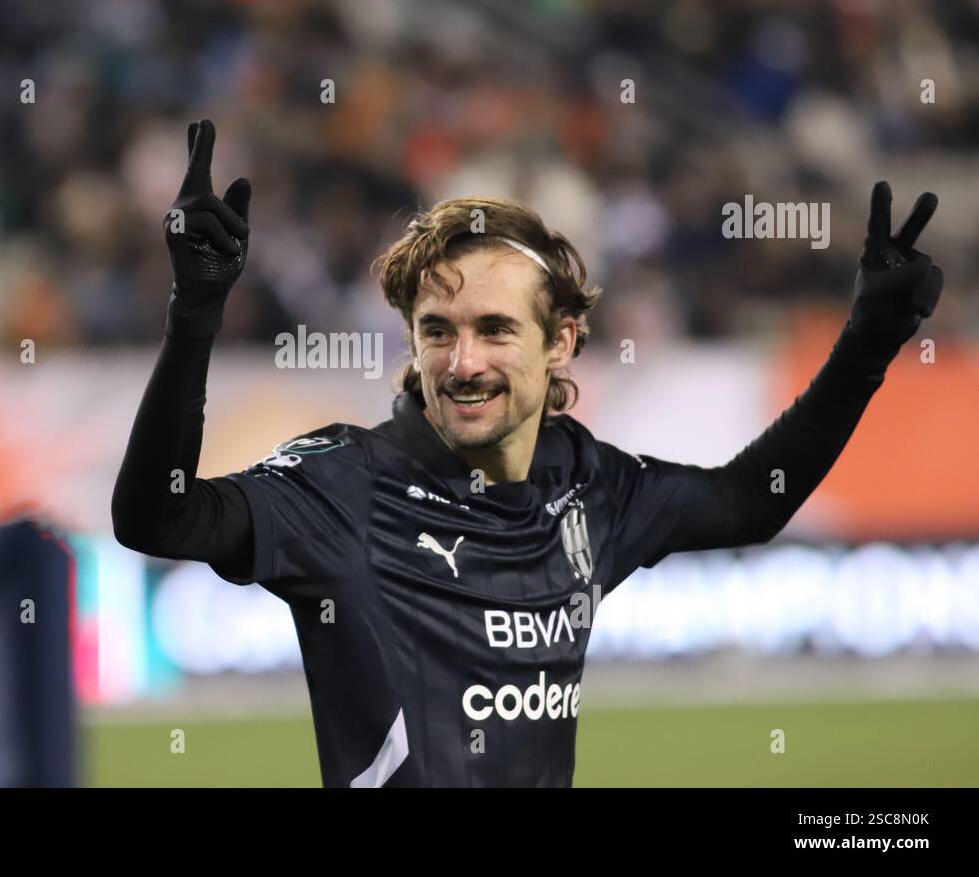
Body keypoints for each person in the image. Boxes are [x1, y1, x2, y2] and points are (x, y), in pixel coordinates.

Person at [111, 119, 944, 787]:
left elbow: (750, 500)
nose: (463, 362)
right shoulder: (342, 485)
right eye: (437, 332)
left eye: (495, 330)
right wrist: (195, 314)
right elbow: (158, 517)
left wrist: (868, 345)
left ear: (561, 343)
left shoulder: (590, 484)